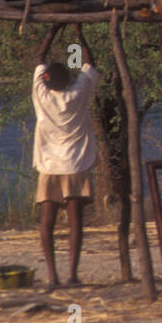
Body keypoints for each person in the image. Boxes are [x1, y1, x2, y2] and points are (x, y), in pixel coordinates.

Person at [32, 38, 99, 287]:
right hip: (75, 165)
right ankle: (72, 275)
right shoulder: (79, 93)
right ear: (68, 80)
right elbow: (90, 65)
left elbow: (39, 59)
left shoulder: (41, 97)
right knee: (75, 222)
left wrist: (50, 33)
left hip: (49, 167)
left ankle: (52, 276)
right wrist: (81, 37)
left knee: (47, 221)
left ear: (47, 82)